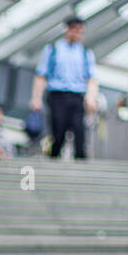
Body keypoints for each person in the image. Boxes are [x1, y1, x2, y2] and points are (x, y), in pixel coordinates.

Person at [30, 17, 99, 159]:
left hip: (77, 96)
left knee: (79, 132)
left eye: (80, 31)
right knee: (58, 130)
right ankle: (53, 158)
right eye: (74, 30)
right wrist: (36, 98)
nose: (77, 34)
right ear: (67, 30)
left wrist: (91, 97)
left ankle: (80, 163)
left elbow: (92, 78)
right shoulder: (53, 49)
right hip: (57, 96)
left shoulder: (85, 53)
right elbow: (41, 75)